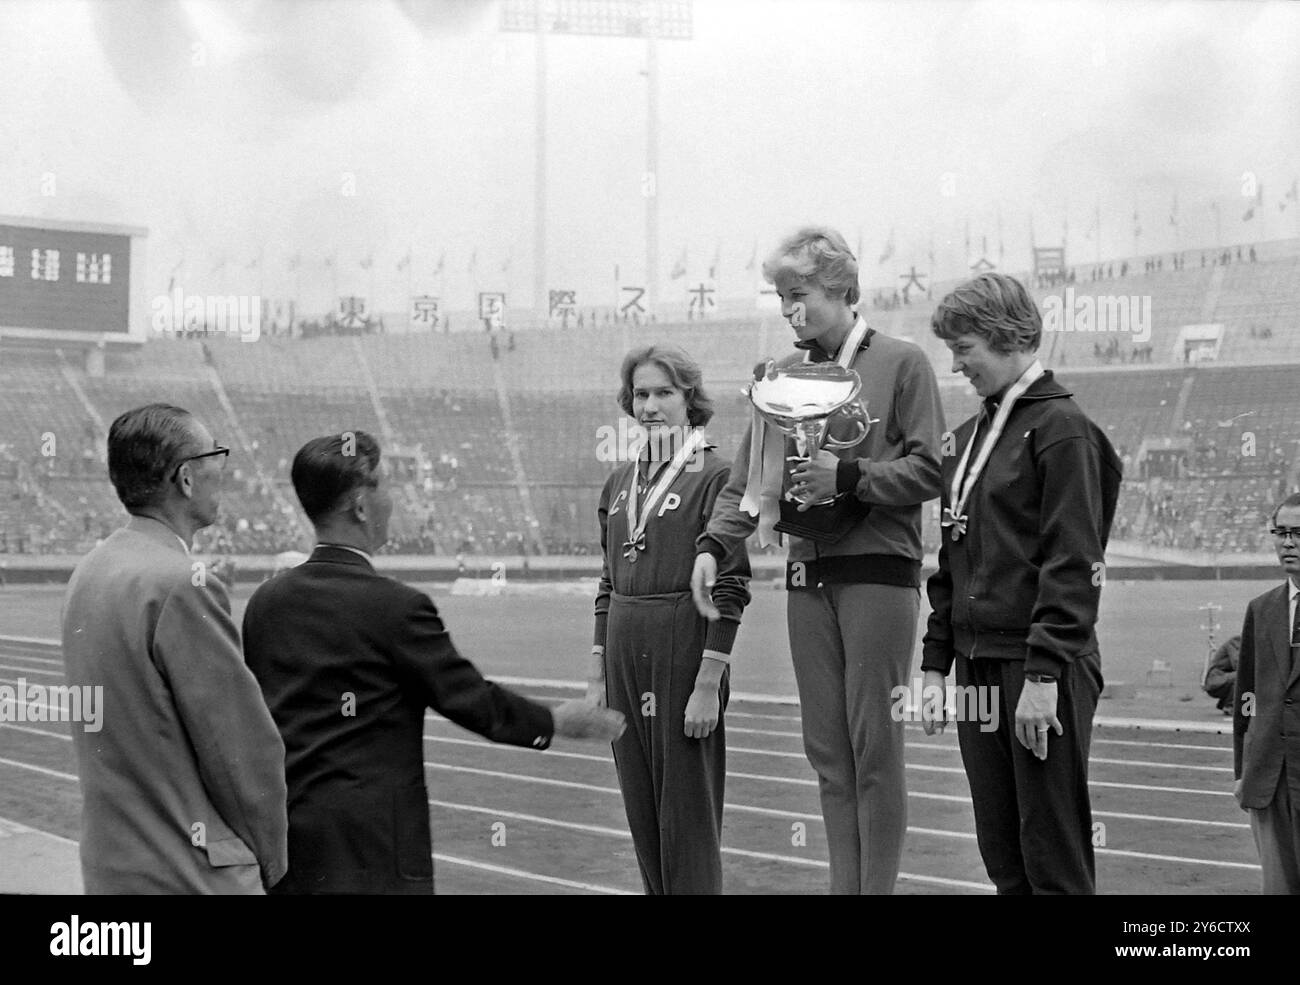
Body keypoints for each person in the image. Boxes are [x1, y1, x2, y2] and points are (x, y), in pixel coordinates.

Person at [243, 431, 624, 894]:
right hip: (375, 846)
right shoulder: (395, 607)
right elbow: (467, 699)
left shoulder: (266, 603)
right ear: (361, 506)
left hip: (291, 837)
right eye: (385, 485)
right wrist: (555, 721)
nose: (394, 498)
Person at [690, 227, 944, 894]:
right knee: (828, 754)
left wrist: (852, 478)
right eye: (780, 297)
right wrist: (714, 546)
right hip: (807, 580)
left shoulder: (902, 363)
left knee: (875, 752)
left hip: (877, 577)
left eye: (797, 294)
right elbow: (750, 483)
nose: (788, 310)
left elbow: (930, 469)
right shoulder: (781, 379)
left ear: (843, 290)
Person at [921, 272, 1122, 895]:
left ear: (1008, 337)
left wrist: (1043, 676)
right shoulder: (970, 437)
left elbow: (1073, 561)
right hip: (979, 668)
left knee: (1050, 851)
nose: (956, 366)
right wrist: (934, 664)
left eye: (964, 349)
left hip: (1038, 668)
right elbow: (951, 558)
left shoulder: (1063, 430)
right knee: (1002, 850)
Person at [61, 403, 287, 893]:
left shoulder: (90, 570)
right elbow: (242, 753)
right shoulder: (182, 584)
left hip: (112, 870)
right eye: (215, 457)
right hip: (189, 875)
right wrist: (268, 864)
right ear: (186, 478)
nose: (222, 471)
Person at [589, 345, 751, 894]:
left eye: (665, 393)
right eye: (641, 394)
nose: (650, 406)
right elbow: (607, 584)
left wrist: (709, 682)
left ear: (689, 399)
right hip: (623, 652)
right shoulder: (618, 483)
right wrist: (597, 674)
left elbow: (730, 585)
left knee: (686, 816)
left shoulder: (718, 473)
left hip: (684, 649)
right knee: (642, 812)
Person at [1233, 494, 1300, 894]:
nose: (1287, 542)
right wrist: (1242, 771)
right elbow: (1247, 698)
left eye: (1298, 533)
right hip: (1271, 781)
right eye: (1281, 532)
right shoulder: (1262, 609)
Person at [1204, 634, 1241, 714]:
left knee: (1250, 675)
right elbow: (1238, 664)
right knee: (1246, 675)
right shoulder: (1236, 642)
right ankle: (1230, 706)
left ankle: (1245, 709)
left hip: (1224, 680)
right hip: (1215, 680)